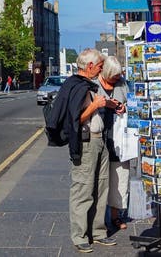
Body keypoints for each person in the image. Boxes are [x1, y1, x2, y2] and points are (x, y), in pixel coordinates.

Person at [48, 47, 118, 252]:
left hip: (100, 141)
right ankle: (79, 236)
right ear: (89, 66)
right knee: (83, 190)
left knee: (101, 187)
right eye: (99, 66)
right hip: (86, 143)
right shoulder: (75, 85)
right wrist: (95, 106)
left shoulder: (87, 84)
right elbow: (74, 120)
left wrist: (108, 105)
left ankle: (98, 232)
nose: (100, 69)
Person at [97, 56, 130, 233]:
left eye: (119, 76)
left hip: (120, 139)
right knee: (100, 181)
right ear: (106, 73)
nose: (118, 79)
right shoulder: (95, 84)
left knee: (120, 179)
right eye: (115, 76)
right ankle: (98, 219)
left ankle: (116, 217)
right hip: (100, 139)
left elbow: (132, 102)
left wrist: (124, 106)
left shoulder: (122, 83)